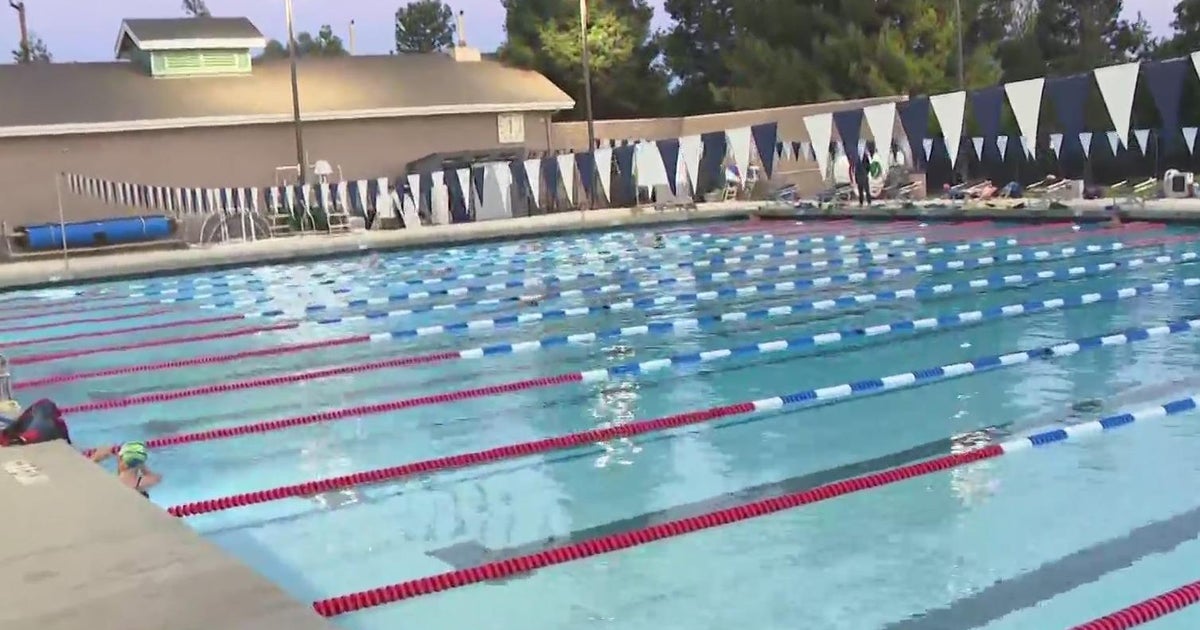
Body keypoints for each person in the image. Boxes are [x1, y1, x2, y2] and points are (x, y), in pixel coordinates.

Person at [91, 441, 161, 498]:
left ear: (121, 458)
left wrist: (95, 459)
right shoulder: (142, 483)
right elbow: (156, 477)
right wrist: (140, 463)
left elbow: (83, 478)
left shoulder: (110, 482)